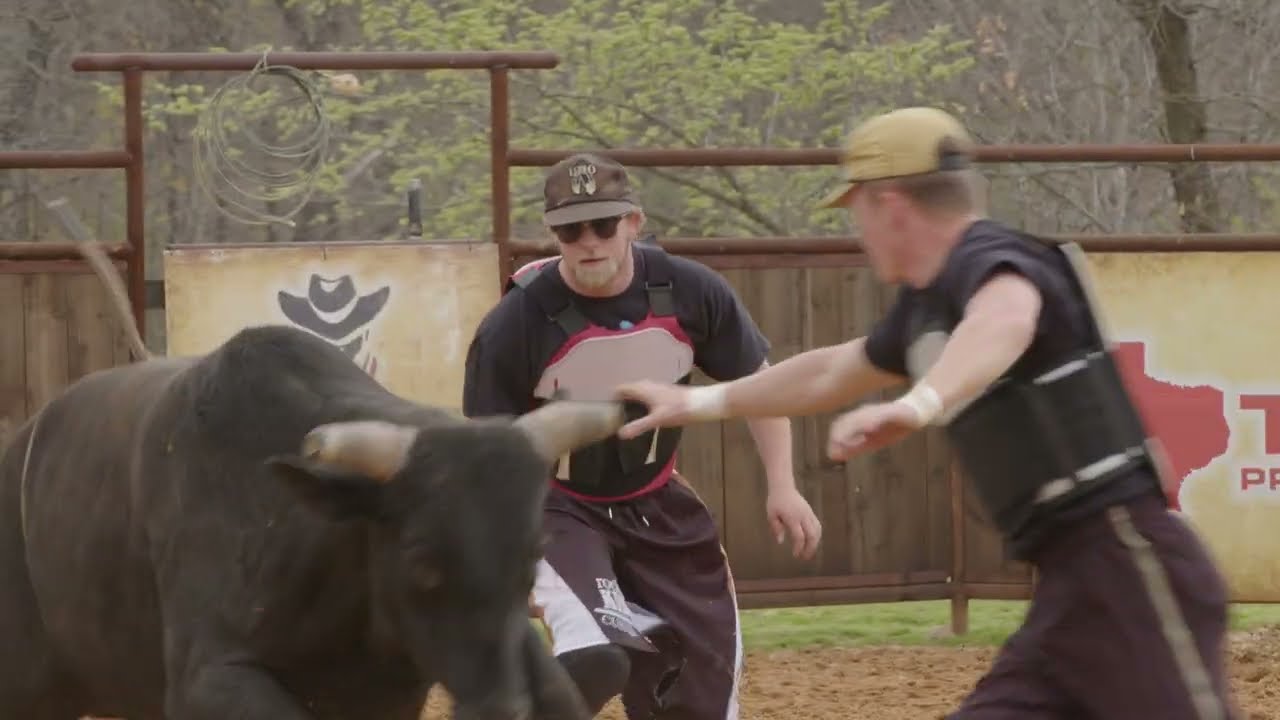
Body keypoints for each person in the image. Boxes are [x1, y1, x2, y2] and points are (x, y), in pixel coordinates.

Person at [613, 108, 1240, 720]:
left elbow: (1006, 319)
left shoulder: (992, 258)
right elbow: (831, 372)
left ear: (888, 204)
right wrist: (695, 401)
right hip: (1069, 594)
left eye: (855, 210)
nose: (856, 230)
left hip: (1130, 568)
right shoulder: (926, 306)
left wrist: (921, 402)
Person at [461, 152, 822, 719]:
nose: (589, 241)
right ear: (552, 233)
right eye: (570, 228)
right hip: (558, 508)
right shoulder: (518, 321)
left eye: (603, 224)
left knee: (701, 681)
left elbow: (761, 386)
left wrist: (783, 484)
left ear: (634, 221)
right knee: (598, 655)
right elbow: (487, 453)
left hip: (656, 501)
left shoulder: (690, 291)